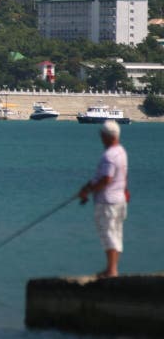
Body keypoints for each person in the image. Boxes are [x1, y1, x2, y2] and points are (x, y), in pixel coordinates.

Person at [78, 119, 129, 278]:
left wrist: (88, 190)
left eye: (102, 135)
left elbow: (106, 179)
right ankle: (113, 268)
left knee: (108, 233)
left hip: (108, 201)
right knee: (116, 234)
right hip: (119, 199)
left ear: (107, 136)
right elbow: (120, 177)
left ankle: (111, 270)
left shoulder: (109, 156)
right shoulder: (121, 152)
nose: (101, 138)